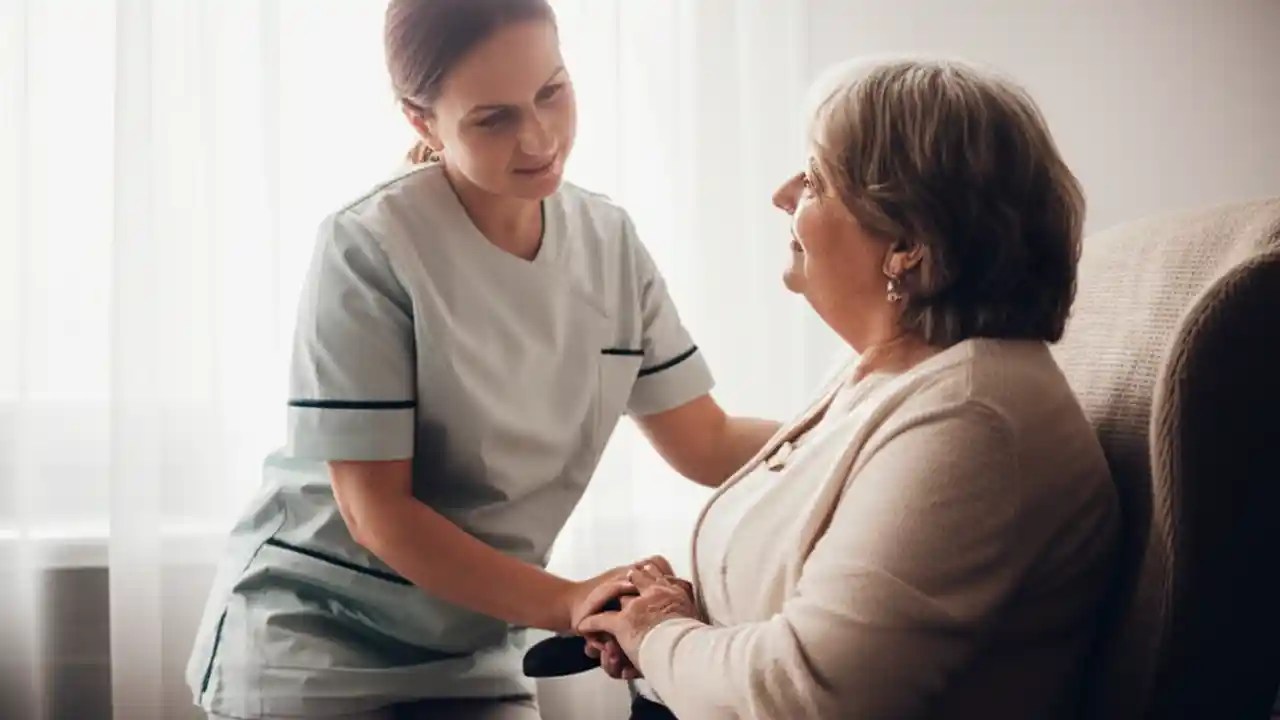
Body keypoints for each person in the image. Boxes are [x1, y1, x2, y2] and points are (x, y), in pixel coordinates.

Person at [184, 1, 779, 718]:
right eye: (493, 119)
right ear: (422, 121)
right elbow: (377, 512)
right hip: (312, 645)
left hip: (471, 650)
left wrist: (866, 427)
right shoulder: (370, 246)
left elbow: (706, 441)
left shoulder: (609, 243)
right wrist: (569, 601)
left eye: (552, 92)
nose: (539, 138)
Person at [580, 57, 1121, 720]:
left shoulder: (971, 420)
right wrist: (680, 625)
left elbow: (803, 695)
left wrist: (661, 634)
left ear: (907, 243)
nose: (783, 193)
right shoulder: (896, 376)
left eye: (816, 178)